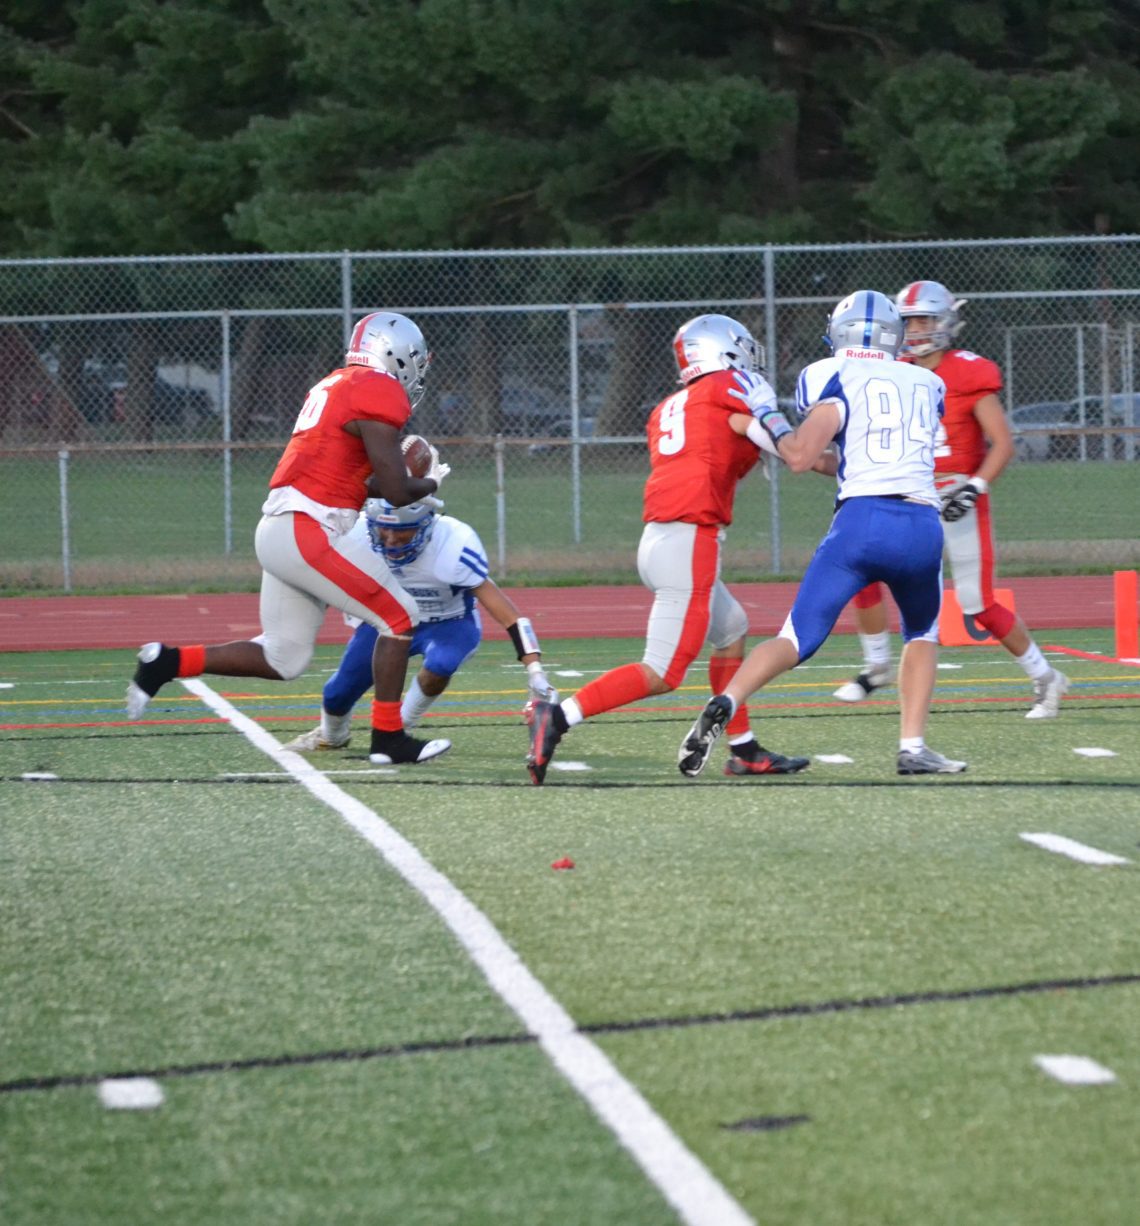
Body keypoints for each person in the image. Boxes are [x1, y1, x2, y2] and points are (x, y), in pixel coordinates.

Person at [125, 311, 454, 766]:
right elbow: (396, 493)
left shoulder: (338, 383)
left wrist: (409, 482)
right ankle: (388, 738)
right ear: (396, 354)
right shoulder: (378, 388)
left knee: (285, 657)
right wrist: (431, 483)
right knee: (400, 617)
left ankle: (166, 662)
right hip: (307, 529)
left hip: (281, 529)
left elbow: (363, 483)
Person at [679, 289, 967, 778]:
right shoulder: (927, 381)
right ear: (892, 336)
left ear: (841, 332)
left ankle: (727, 700)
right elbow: (874, 452)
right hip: (920, 524)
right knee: (922, 633)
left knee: (797, 637)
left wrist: (767, 413)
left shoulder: (828, 374)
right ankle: (913, 746)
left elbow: (797, 455)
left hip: (860, 524)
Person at [526, 313, 810, 786]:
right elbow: (786, 448)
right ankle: (556, 718)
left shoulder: (670, 407)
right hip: (688, 540)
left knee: (733, 627)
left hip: (659, 539)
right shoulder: (727, 388)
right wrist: (783, 428)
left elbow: (722, 445)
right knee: (663, 671)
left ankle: (743, 749)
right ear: (724, 351)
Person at [833, 280, 1069, 719]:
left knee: (978, 602)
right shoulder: (894, 370)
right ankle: (878, 664)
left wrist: (974, 487)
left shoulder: (968, 372)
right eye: (909, 321)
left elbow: (1002, 443)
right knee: (862, 567)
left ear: (946, 321)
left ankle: (1047, 679)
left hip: (958, 495)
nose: (917, 329)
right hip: (910, 493)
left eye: (924, 319)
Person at [282, 496, 558, 751]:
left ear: (426, 525)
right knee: (337, 692)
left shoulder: (453, 543)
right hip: (388, 620)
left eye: (401, 531)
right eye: (382, 529)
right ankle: (331, 736)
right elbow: (328, 586)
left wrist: (535, 671)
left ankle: (398, 728)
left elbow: (509, 615)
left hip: (448, 622)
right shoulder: (358, 536)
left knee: (441, 664)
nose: (389, 539)